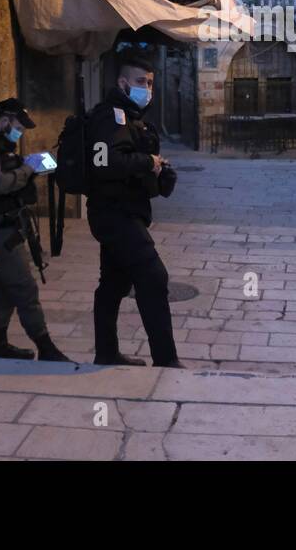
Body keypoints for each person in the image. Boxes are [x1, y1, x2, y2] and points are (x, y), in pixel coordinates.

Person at [85, 53, 182, 368]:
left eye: (151, 83)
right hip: (114, 215)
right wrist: (148, 162)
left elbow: (135, 169)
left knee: (113, 284)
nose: (147, 88)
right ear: (123, 83)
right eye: (141, 82)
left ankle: (106, 352)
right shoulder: (108, 117)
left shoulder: (134, 119)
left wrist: (160, 173)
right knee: (154, 277)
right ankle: (166, 360)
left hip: (126, 212)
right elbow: (103, 163)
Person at [0, 97, 72, 361]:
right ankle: (45, 346)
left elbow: (14, 174)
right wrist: (28, 168)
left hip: (11, 226)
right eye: (17, 127)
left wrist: (37, 164)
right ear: (3, 121)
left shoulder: (1, 147)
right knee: (24, 287)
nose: (19, 133)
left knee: (5, 285)